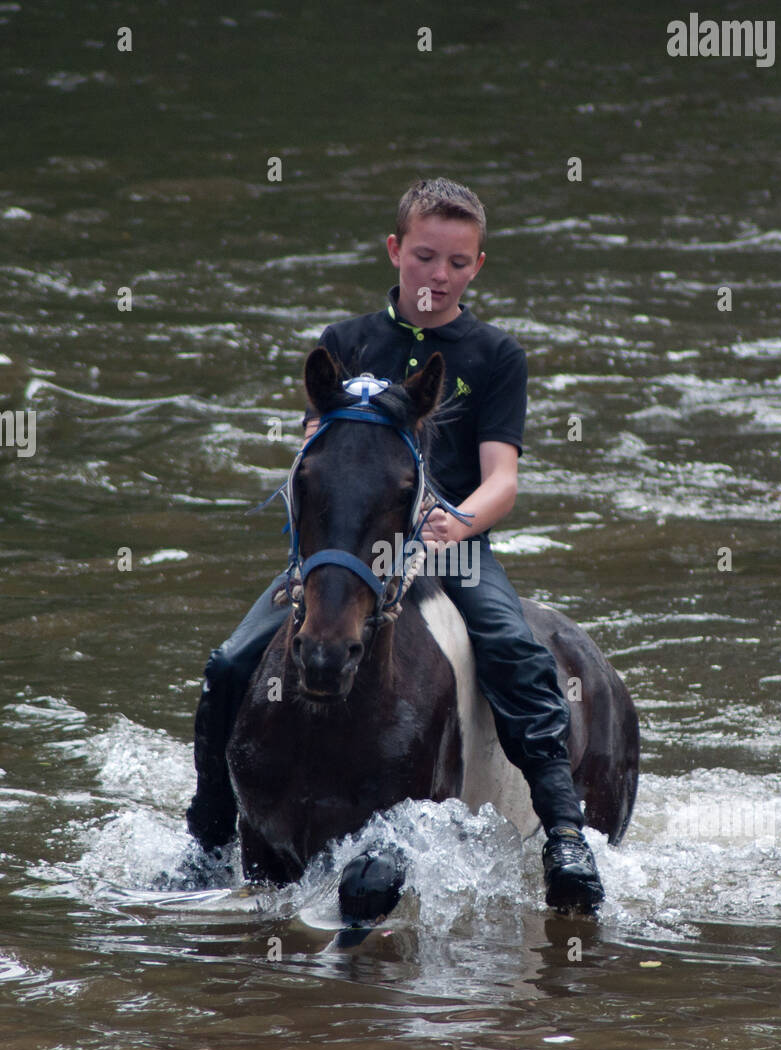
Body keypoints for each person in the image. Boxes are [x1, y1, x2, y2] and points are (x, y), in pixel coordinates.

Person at [189, 177, 605, 913]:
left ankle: (564, 832)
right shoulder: (345, 343)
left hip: (451, 543)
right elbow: (317, 463)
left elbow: (502, 478)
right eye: (424, 257)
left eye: (455, 262)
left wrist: (459, 520)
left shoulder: (495, 356)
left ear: (477, 266)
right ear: (395, 251)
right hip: (348, 546)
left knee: (514, 649)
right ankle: (208, 838)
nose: (437, 276)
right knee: (228, 665)